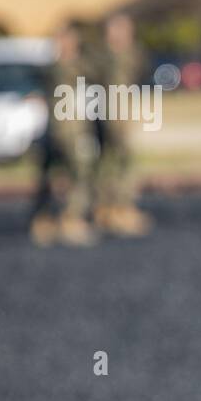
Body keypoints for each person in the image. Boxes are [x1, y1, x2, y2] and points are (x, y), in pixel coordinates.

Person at [30, 21, 96, 247]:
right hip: (64, 130)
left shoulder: (70, 66)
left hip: (70, 127)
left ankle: (53, 218)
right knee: (73, 172)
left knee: (62, 173)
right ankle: (67, 219)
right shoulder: (60, 67)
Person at [92, 13, 151, 237]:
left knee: (124, 162)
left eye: (124, 30)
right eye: (115, 30)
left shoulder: (134, 53)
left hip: (123, 113)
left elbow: (139, 75)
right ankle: (107, 209)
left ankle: (123, 208)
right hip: (106, 114)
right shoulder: (102, 56)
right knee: (109, 163)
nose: (119, 35)